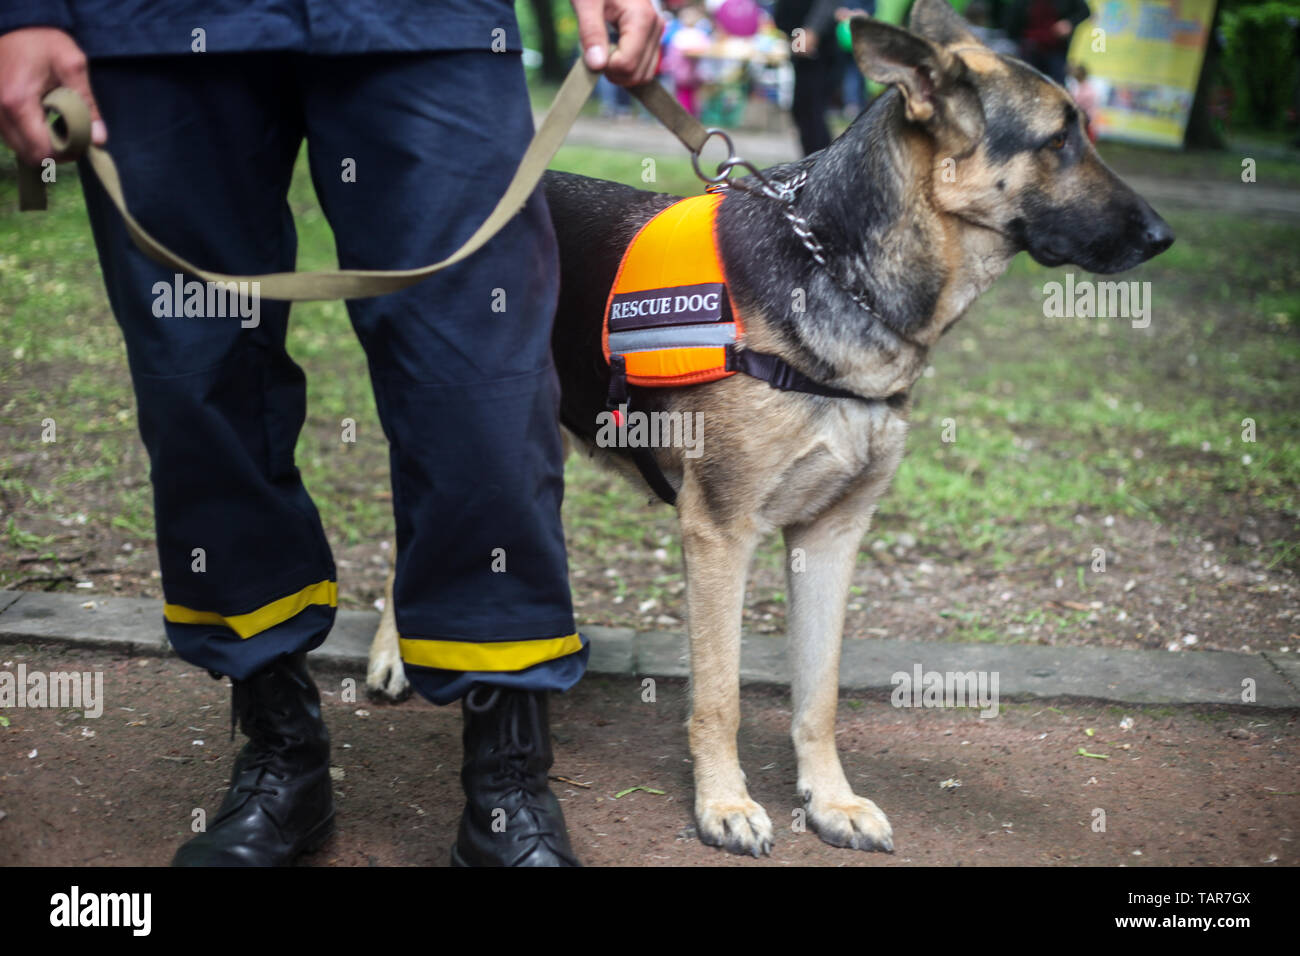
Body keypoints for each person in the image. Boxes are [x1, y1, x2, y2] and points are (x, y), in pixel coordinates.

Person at [0, 0, 662, 868]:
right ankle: (280, 747)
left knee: (481, 378)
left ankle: (507, 772)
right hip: (150, 27)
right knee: (197, 379)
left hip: (426, 22)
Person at [1004, 0, 1090, 84]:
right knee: (1026, 84)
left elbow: (1085, 11)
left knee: (1057, 86)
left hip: (1056, 50)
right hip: (1029, 50)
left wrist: (1069, 23)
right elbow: (1012, 20)